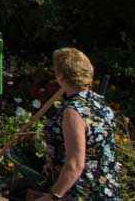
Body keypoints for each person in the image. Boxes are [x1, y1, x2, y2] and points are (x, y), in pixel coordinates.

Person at [29, 47, 122, 201]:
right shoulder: (98, 101)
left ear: (61, 76)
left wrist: (53, 196)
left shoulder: (73, 112)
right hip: (105, 188)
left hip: (82, 192)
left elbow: (75, 164)